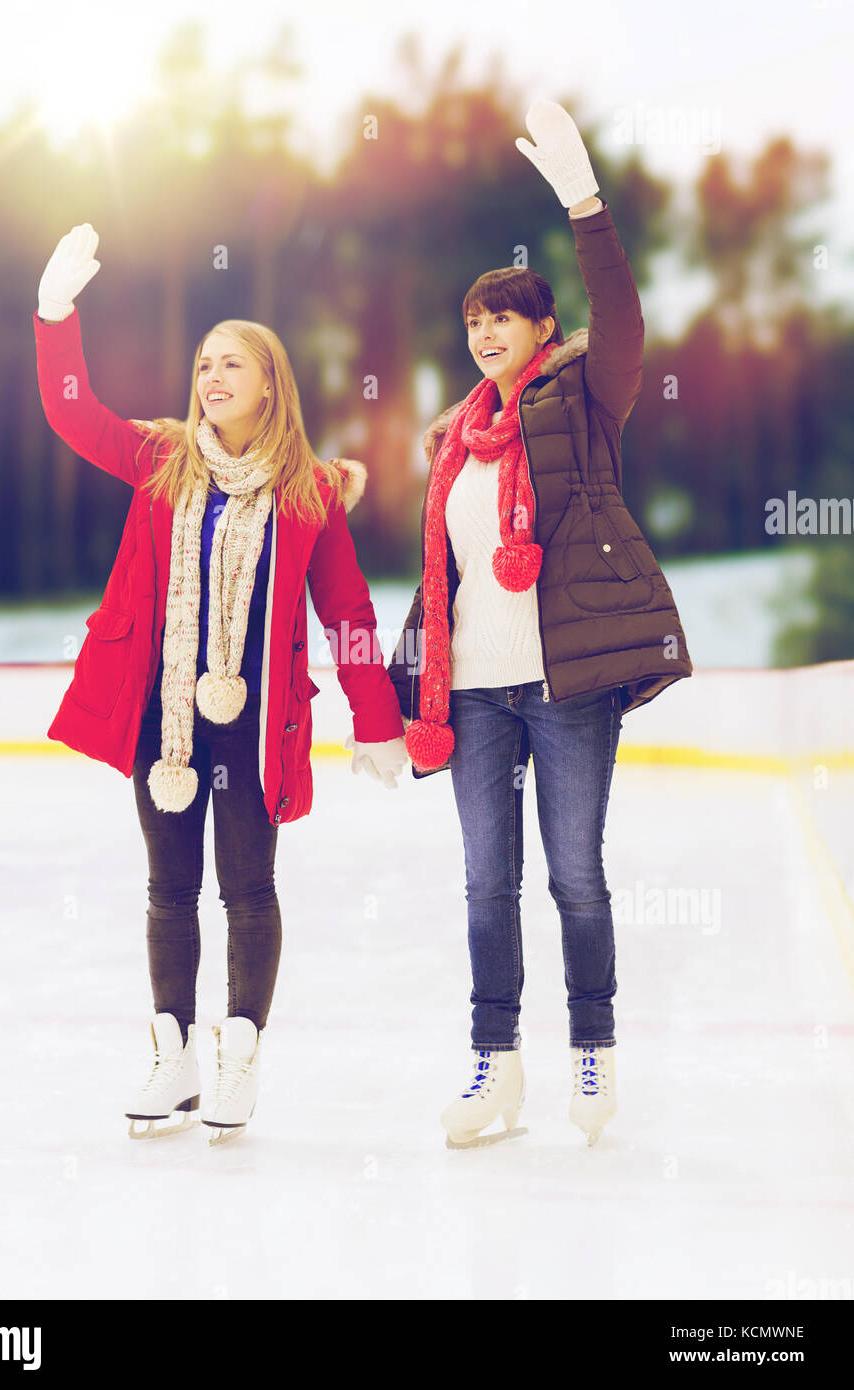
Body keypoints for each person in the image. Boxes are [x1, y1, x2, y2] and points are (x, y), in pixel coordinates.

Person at [34, 225, 408, 1143]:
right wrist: (54, 318)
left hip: (251, 727)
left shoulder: (310, 492)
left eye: (231, 364)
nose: (211, 378)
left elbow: (349, 613)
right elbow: (75, 416)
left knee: (247, 889)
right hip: (162, 721)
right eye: (204, 364)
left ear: (270, 382)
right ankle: (174, 1057)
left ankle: (239, 1057)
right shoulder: (163, 460)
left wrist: (377, 720)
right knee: (169, 891)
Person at [388, 101, 693, 1149]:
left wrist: (582, 202)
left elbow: (626, 314)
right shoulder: (455, 440)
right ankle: (496, 1066)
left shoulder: (584, 397)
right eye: (472, 322)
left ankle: (592, 1044)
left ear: (543, 328)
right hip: (473, 689)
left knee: (573, 874)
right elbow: (443, 580)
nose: (483, 334)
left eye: (502, 318)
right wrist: (398, 695)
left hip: (568, 688)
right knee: (486, 883)